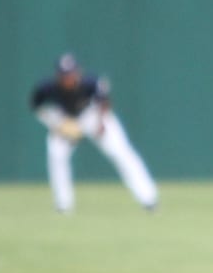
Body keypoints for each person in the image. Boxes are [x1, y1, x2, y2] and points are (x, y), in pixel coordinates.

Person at [29, 53, 158, 214]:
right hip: (65, 120)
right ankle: (63, 205)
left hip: (92, 116)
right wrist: (56, 124)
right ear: (58, 75)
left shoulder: (91, 83)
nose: (68, 78)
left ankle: (149, 198)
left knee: (120, 152)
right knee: (56, 153)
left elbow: (104, 102)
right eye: (64, 75)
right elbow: (37, 107)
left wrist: (101, 122)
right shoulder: (46, 88)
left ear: (78, 72)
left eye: (71, 74)